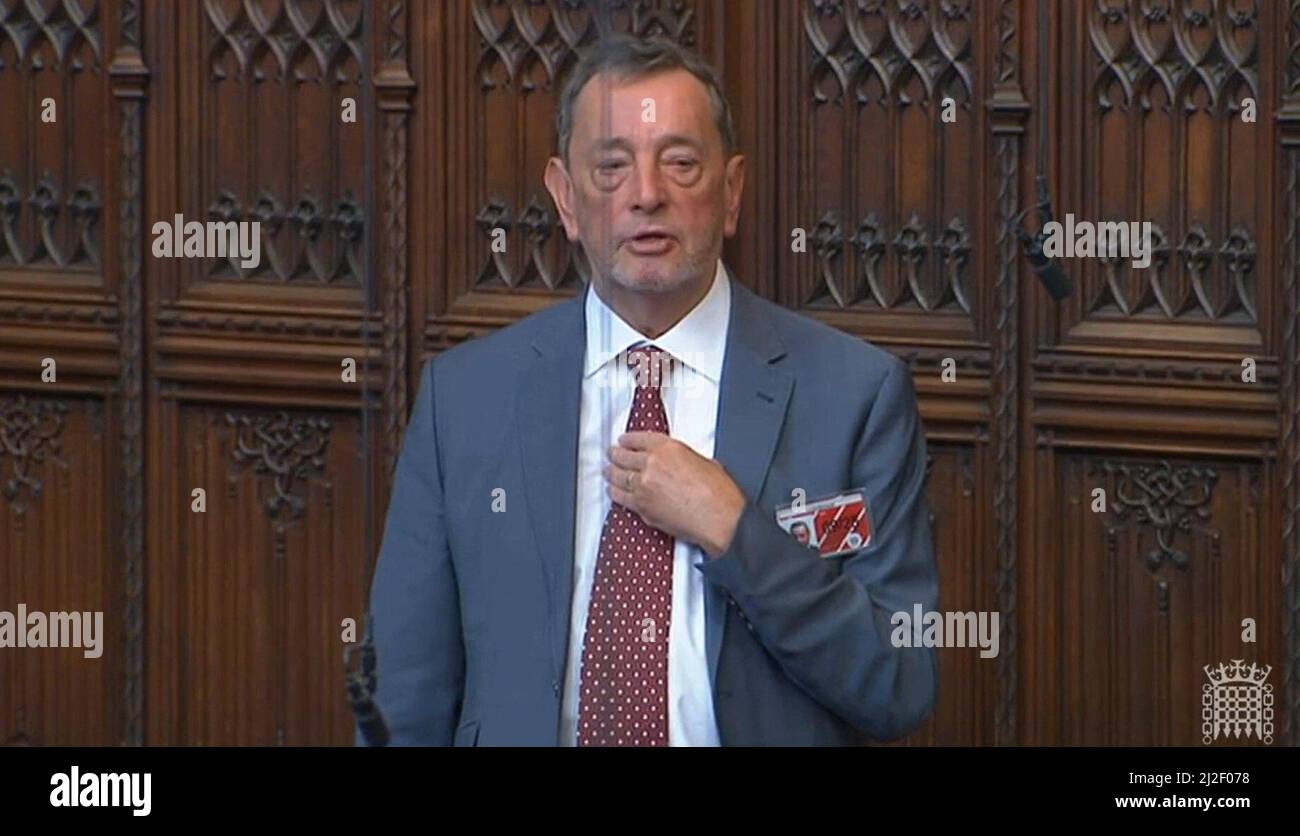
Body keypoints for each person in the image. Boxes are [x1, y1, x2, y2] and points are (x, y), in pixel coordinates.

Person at [365, 34, 938, 747]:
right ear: (566, 199)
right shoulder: (465, 400)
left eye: (680, 163)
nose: (646, 195)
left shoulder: (855, 396)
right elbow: (406, 698)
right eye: (611, 167)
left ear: (730, 192)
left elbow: (900, 683)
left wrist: (736, 534)